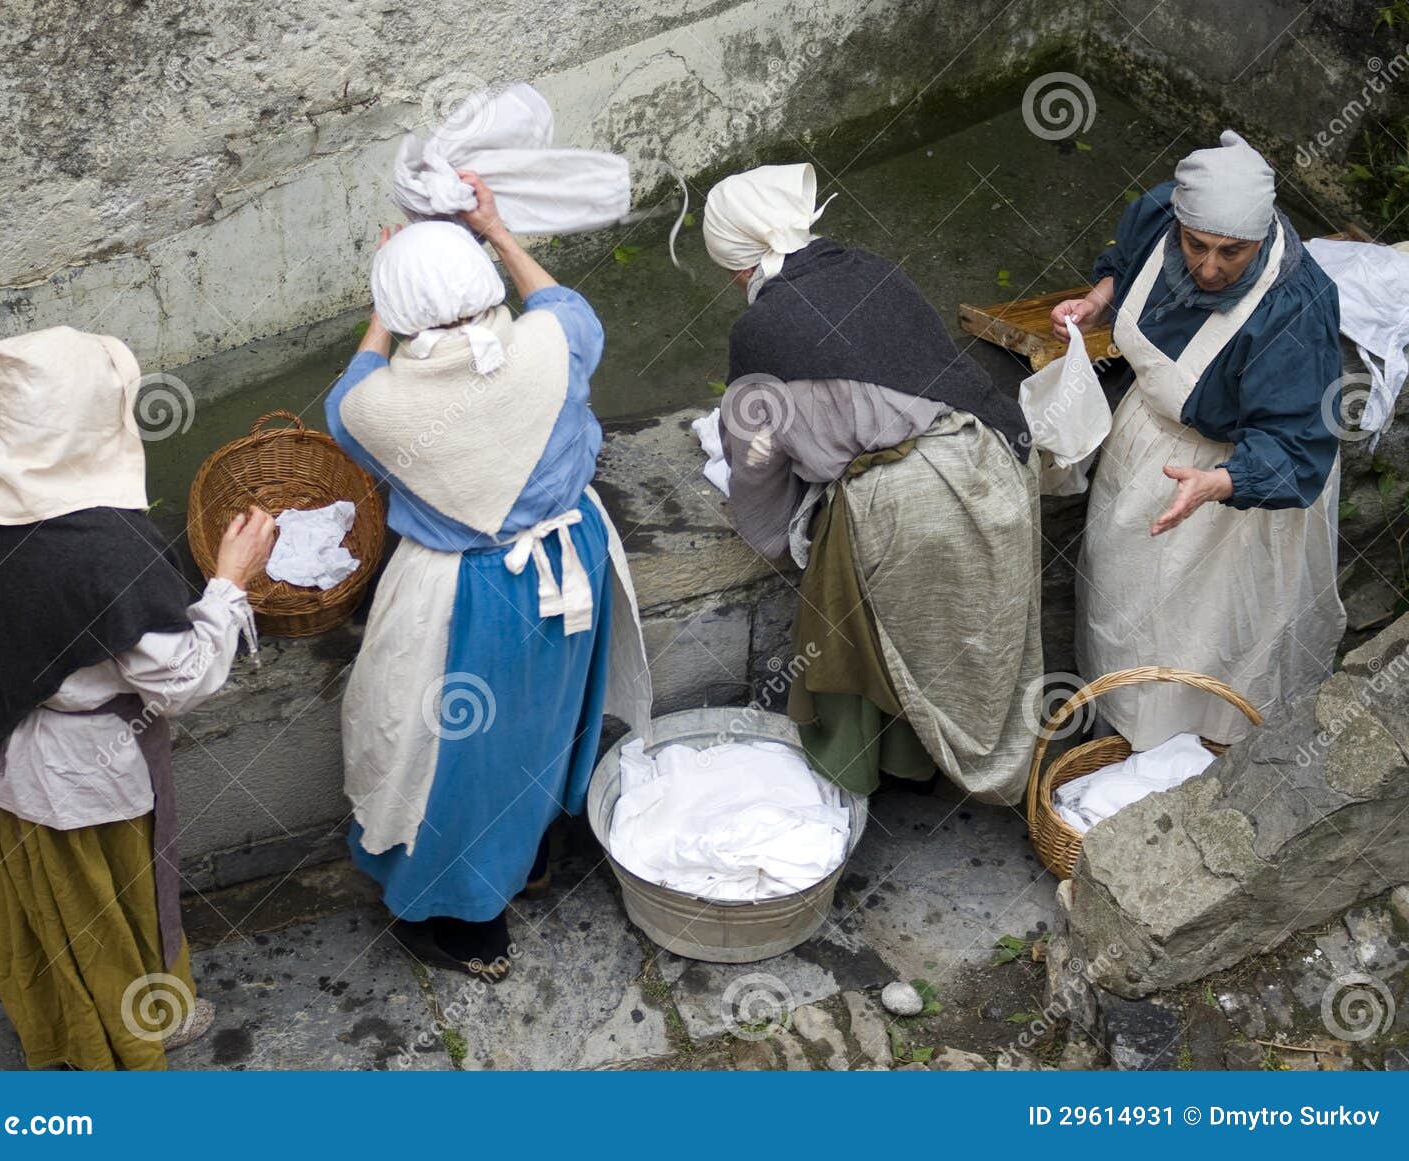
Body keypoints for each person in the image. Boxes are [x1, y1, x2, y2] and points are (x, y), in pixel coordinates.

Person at [0, 325, 275, 1070]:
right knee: (105, 914)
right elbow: (183, 676)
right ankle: (122, 1041)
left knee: (37, 911)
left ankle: (54, 1027)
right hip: (79, 775)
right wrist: (231, 581)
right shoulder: (106, 551)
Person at [326, 173, 650, 981]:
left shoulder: (379, 408)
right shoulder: (555, 342)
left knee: (453, 759)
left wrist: (385, 298)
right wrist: (498, 231)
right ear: (483, 279)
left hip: (466, 597)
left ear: (400, 314)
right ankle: (533, 857)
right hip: (571, 564)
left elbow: (346, 396)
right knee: (544, 726)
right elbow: (563, 304)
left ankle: (462, 917)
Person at [703, 163, 1042, 804]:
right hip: (988, 464)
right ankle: (927, 766)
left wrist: (774, 528)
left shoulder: (760, 331)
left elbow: (755, 463)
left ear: (737, 268)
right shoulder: (878, 272)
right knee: (952, 639)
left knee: (850, 639)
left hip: (900, 503)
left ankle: (857, 773)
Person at [1053, 130, 1346, 747]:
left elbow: (1298, 447)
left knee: (1205, 630)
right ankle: (1129, 731)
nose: (1209, 267)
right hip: (1150, 442)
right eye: (1197, 246)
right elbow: (1126, 260)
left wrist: (1220, 481)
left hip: (1238, 480)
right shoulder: (1165, 212)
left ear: (1261, 238)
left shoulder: (1296, 307)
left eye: (1232, 253)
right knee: (1127, 599)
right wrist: (1096, 301)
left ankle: (1197, 747)